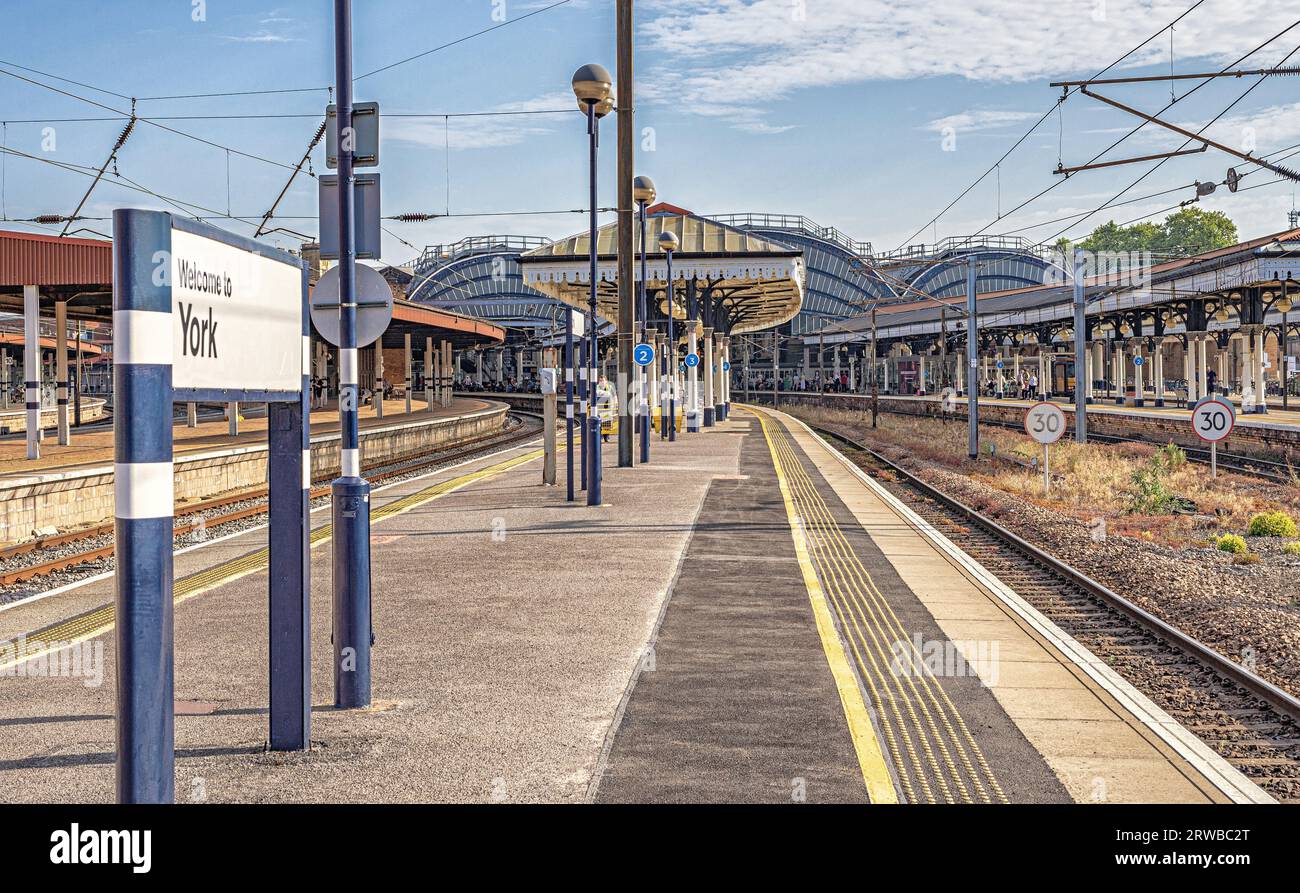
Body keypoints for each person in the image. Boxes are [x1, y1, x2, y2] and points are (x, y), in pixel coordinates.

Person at [595, 375, 616, 443]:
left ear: (606, 381)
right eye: (600, 380)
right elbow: (596, 393)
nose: (602, 382)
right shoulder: (597, 387)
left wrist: (615, 404)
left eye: (603, 380)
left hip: (608, 408)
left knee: (607, 423)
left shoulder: (609, 387)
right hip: (599, 409)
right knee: (599, 423)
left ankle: (606, 437)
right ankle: (600, 436)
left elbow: (614, 395)